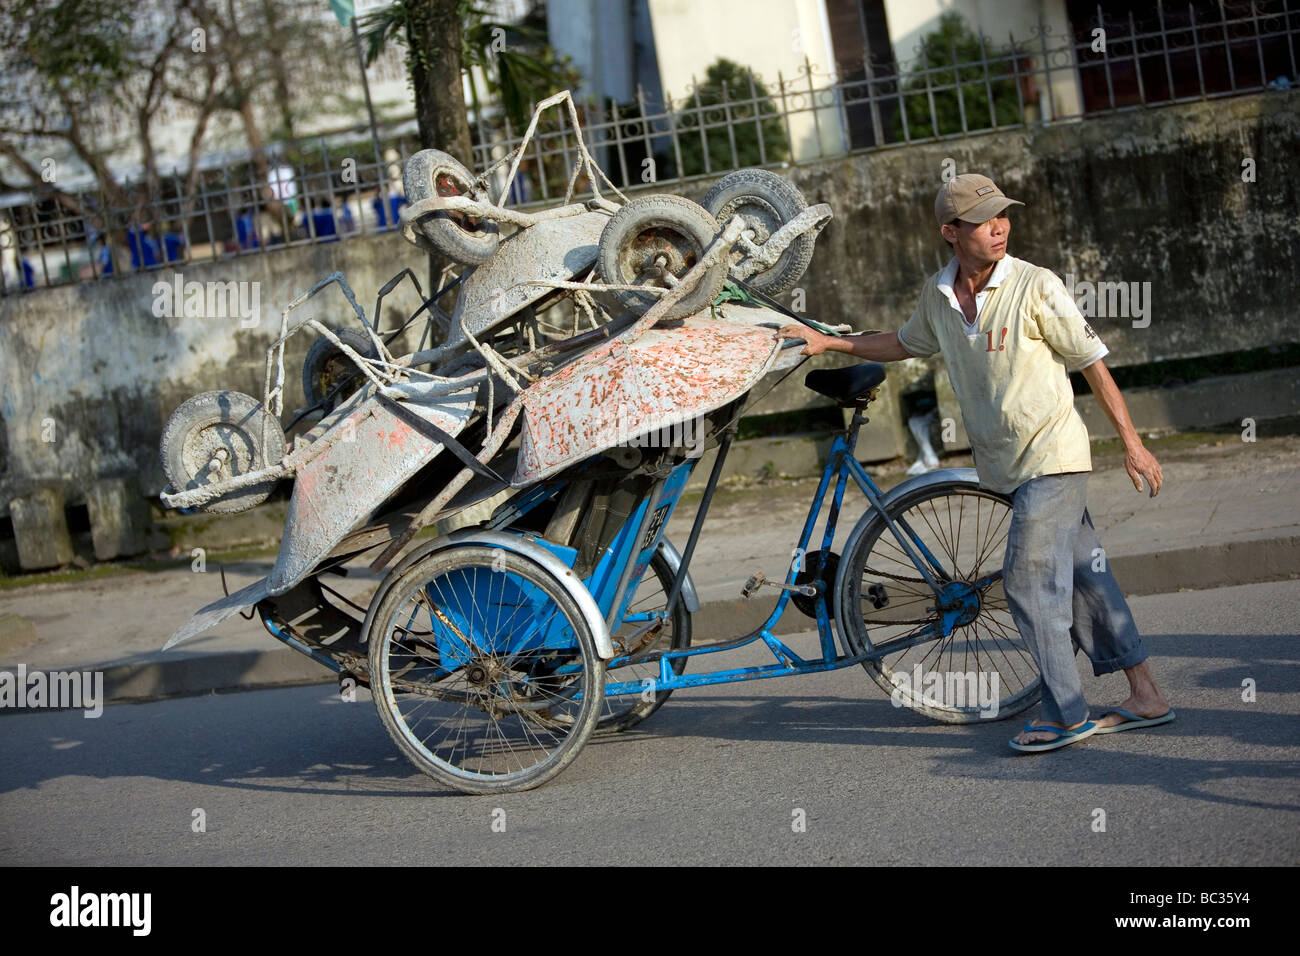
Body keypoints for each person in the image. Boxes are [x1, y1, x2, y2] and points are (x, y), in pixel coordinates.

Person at [779, 173, 1174, 753]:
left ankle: (1066, 712)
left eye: (1003, 216)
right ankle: (1147, 695)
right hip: (1006, 465)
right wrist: (830, 342)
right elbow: (903, 343)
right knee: (1087, 578)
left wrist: (1132, 443)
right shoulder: (938, 296)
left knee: (1027, 582)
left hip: (1053, 454)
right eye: (985, 220)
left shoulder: (1036, 286)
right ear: (950, 232)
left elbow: (1092, 362)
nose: (1000, 227)